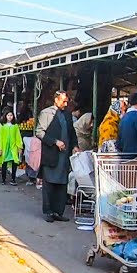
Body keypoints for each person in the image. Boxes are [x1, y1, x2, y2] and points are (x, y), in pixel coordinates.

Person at [35, 90, 77, 222]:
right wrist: (55, 142)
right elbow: (39, 132)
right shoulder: (46, 113)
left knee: (62, 185)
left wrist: (75, 146)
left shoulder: (68, 115)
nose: (65, 103)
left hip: (64, 156)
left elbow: (72, 133)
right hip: (51, 154)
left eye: (67, 101)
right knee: (49, 185)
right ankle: (48, 212)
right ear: (56, 100)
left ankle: (58, 211)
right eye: (63, 101)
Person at [0, 111, 23, 185]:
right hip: (4, 147)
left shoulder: (15, 126)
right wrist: (0, 148)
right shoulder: (2, 126)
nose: (10, 117)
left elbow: (18, 136)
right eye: (8, 115)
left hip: (13, 147)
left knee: (14, 163)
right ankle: (3, 179)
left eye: (11, 115)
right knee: (4, 163)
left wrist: (19, 146)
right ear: (5, 116)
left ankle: (13, 179)